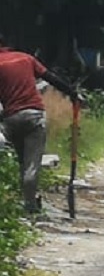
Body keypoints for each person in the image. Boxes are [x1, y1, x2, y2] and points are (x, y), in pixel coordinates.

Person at [0, 32, 79, 215]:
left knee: (21, 160)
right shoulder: (26, 58)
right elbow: (50, 78)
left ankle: (17, 202)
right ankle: (29, 206)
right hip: (34, 117)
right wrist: (72, 93)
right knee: (31, 164)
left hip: (11, 118)